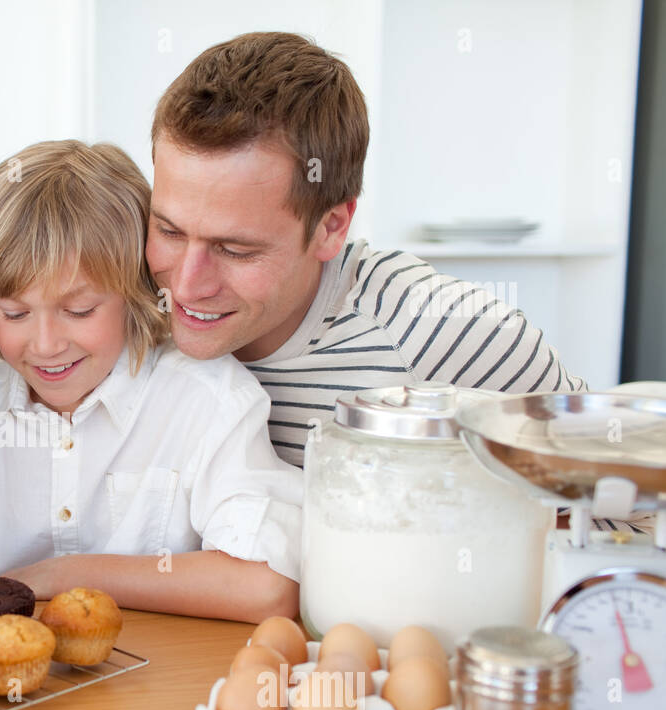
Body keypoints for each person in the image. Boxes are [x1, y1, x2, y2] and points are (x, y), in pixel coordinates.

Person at [0, 141, 302, 623]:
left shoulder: (206, 400)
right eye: (15, 312)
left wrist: (67, 574)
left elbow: (270, 586)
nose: (44, 344)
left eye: (78, 310)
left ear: (135, 293)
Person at [147, 34, 590, 461]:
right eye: (169, 231)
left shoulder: (445, 332)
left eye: (235, 249)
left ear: (331, 227)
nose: (187, 285)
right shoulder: (113, 307)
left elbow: (627, 514)